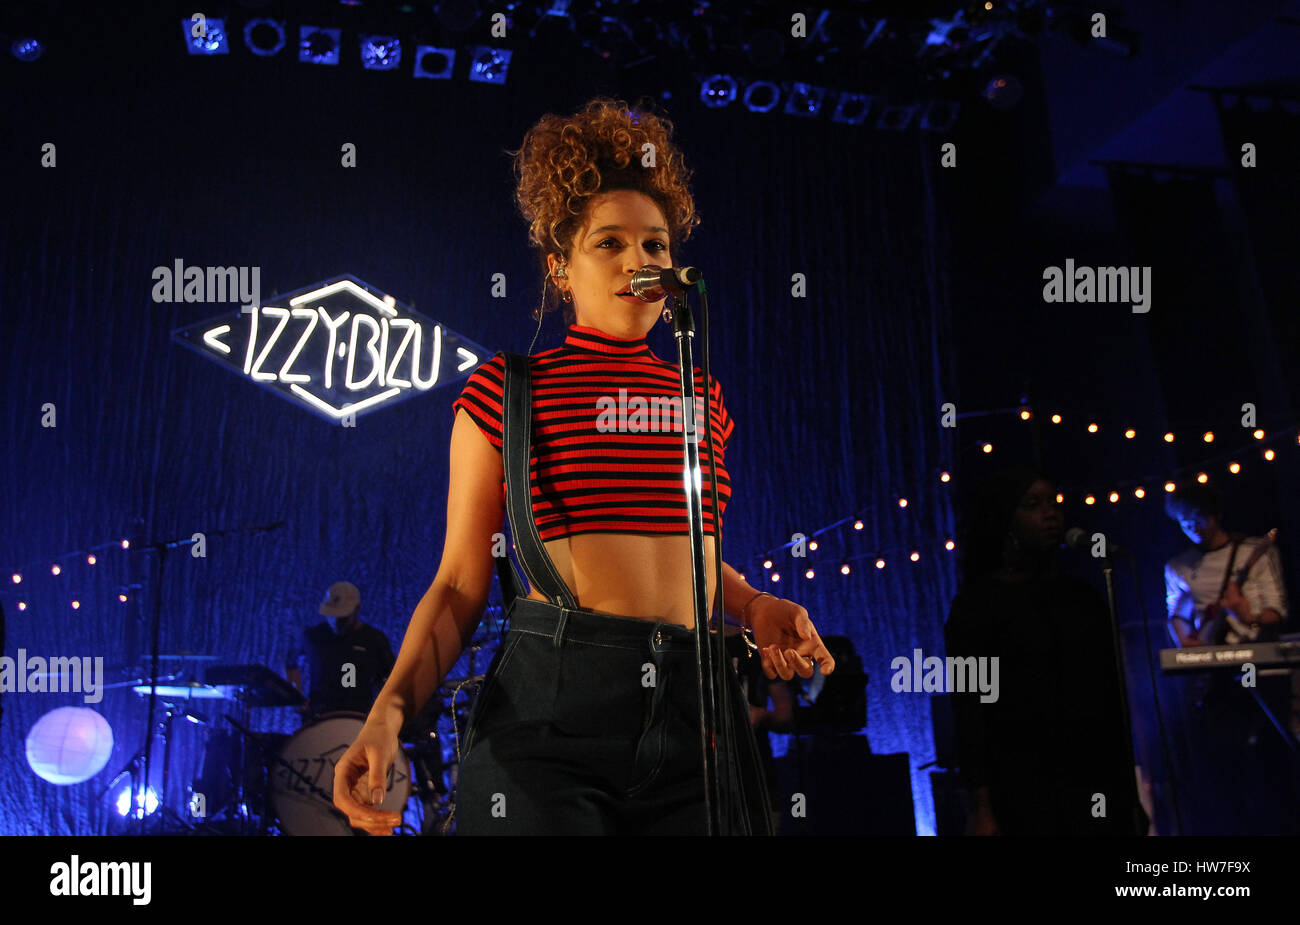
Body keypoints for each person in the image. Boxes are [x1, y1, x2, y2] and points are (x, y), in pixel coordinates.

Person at [331, 97, 835, 836]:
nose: (641, 261)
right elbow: (461, 582)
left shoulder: (702, 394)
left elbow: (686, 560)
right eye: (611, 243)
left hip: (697, 719)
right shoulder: (506, 388)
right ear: (559, 268)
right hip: (554, 720)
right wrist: (387, 713)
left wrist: (754, 604)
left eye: (657, 245)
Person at [943, 466, 1146, 835]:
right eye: (1033, 505)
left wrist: (1130, 795)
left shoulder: (1082, 599)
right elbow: (970, 709)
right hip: (1022, 786)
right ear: (1006, 519)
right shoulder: (976, 607)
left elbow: (1111, 703)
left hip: (1093, 780)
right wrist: (981, 806)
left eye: (1054, 502)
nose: (1050, 513)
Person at [1161, 482, 1297, 834]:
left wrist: (1245, 614)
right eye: (1185, 522)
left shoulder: (1255, 551)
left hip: (1262, 669)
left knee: (1273, 759)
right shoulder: (1178, 566)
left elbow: (1276, 610)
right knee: (1225, 765)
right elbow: (1176, 613)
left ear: (1215, 515)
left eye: (1198, 519)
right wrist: (1186, 641)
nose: (1193, 528)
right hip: (1215, 677)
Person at [286, 581, 396, 723]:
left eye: (343, 618)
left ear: (357, 609)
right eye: (331, 616)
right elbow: (290, 661)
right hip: (319, 717)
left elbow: (392, 678)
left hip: (360, 719)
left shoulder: (374, 640)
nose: (336, 622)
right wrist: (297, 697)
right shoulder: (314, 636)